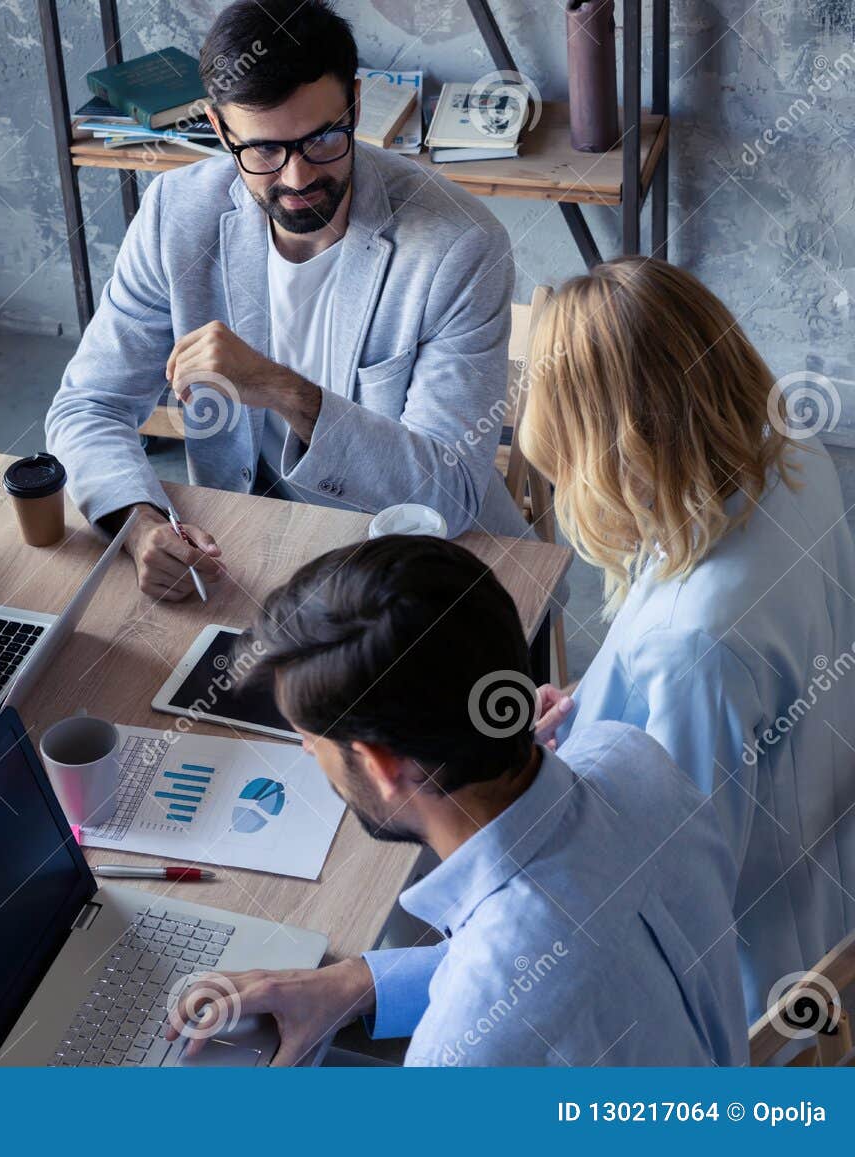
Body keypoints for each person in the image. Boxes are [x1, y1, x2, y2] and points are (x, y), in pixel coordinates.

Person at [168, 536, 747, 1066]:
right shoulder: (627, 754)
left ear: (383, 766)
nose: (306, 754)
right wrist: (356, 982)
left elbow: (524, 982)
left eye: (312, 742)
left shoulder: (462, 1052)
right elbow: (555, 956)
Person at [46, 0, 527, 603]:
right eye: (265, 151)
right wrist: (140, 525)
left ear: (354, 103)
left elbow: (447, 494)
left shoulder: (460, 245)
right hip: (253, 557)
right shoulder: (176, 216)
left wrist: (281, 389)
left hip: (427, 571)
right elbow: (88, 406)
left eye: (323, 138)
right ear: (221, 131)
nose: (297, 179)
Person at [524, 257, 855, 1022]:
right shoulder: (785, 455)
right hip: (824, 861)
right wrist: (596, 706)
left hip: (745, 985)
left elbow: (674, 891)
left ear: (620, 453)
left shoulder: (695, 646)